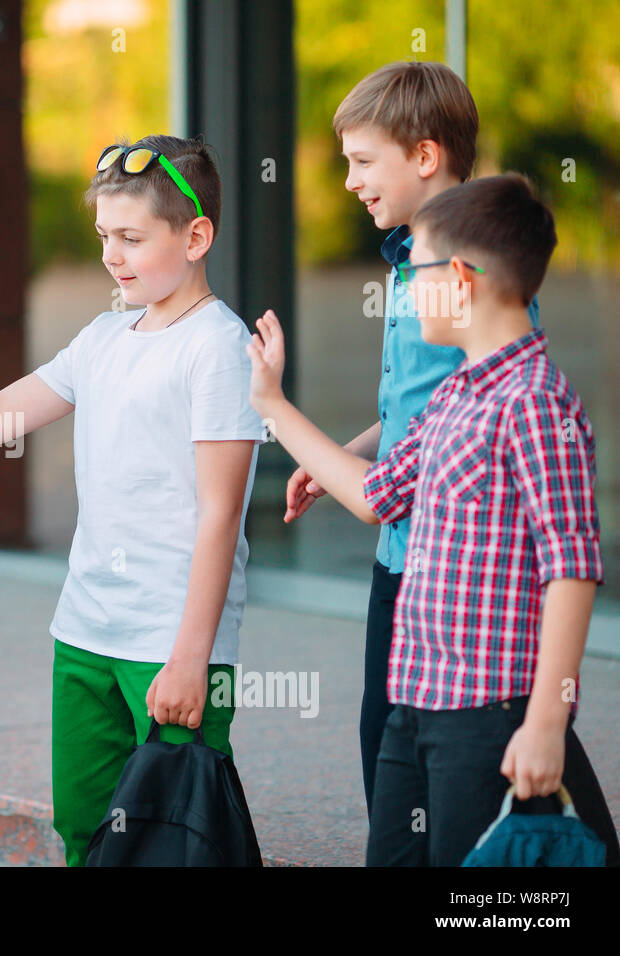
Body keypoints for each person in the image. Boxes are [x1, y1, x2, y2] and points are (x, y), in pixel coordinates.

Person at [0, 135, 266, 866]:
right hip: (85, 632)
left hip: (173, 643)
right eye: (105, 237)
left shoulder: (217, 347)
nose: (112, 256)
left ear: (197, 237)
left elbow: (220, 514)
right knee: (84, 833)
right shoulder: (102, 336)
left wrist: (191, 658)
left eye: (132, 239)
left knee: (181, 843)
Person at [248, 174, 618, 865]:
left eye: (414, 272)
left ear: (461, 278)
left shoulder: (535, 403)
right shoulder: (454, 395)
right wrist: (272, 405)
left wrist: (545, 723)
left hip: (488, 716)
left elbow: (573, 570)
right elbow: (374, 495)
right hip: (414, 703)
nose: (405, 289)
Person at [283, 61, 540, 812]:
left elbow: (466, 411)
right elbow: (426, 413)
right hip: (399, 566)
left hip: (447, 582)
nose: (350, 181)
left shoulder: (461, 281)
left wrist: (274, 406)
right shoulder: (408, 268)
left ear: (425, 157)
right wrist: (359, 450)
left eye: (363, 162)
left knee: (434, 777)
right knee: (389, 756)